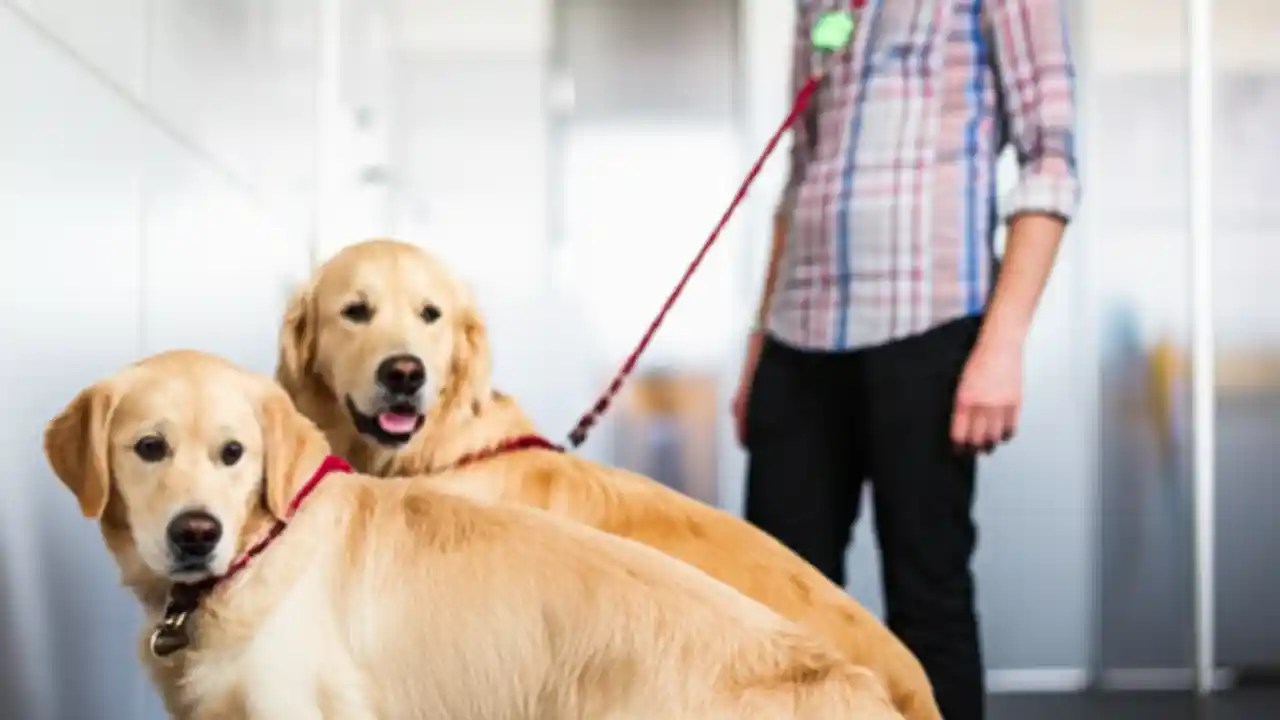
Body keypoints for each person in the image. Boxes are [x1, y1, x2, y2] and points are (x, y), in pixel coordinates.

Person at [732, 1, 1079, 718]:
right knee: (767, 606)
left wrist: (1003, 343)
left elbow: (1049, 157)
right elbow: (801, 169)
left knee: (927, 598)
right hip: (800, 330)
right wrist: (758, 343)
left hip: (928, 320)